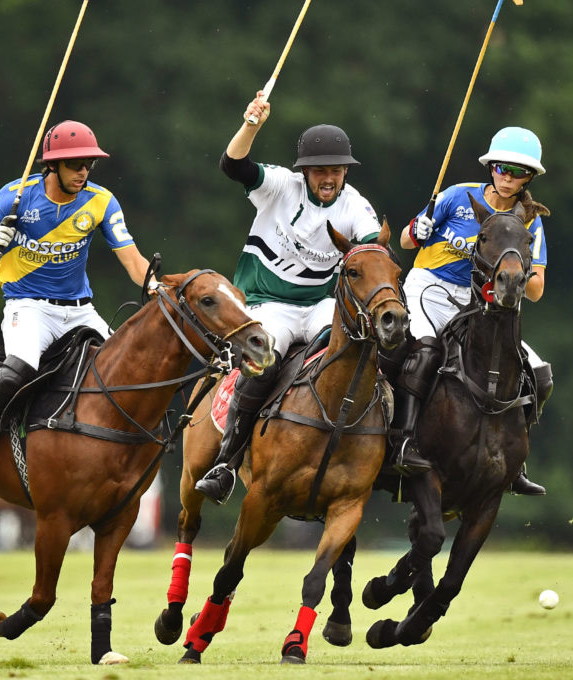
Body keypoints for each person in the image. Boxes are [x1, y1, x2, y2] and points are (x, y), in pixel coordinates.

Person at [193, 92, 430, 506]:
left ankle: (389, 451)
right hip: (269, 303)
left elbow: (375, 252)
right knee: (265, 359)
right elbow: (233, 165)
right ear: (305, 171)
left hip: (322, 306)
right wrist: (251, 125)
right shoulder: (281, 186)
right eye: (320, 170)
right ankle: (227, 462)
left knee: (359, 355)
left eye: (337, 170)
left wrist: (413, 236)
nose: (329, 178)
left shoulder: (356, 205)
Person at [0, 120, 155, 494]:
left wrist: (156, 286)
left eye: (89, 164)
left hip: (80, 310)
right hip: (28, 307)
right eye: (76, 164)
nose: (84, 171)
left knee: (129, 369)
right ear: (52, 165)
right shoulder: (17, 195)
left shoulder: (101, 201)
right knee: (17, 369)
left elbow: (134, 262)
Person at [396, 126, 554, 495]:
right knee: (423, 353)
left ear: (529, 177)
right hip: (428, 290)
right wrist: (417, 230)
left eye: (519, 172)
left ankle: (515, 463)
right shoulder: (456, 196)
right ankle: (402, 441)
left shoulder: (529, 220)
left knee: (540, 375)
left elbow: (536, 290)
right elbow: (405, 240)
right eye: (502, 168)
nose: (508, 178)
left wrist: (514, 266)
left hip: (477, 305)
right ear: (490, 167)